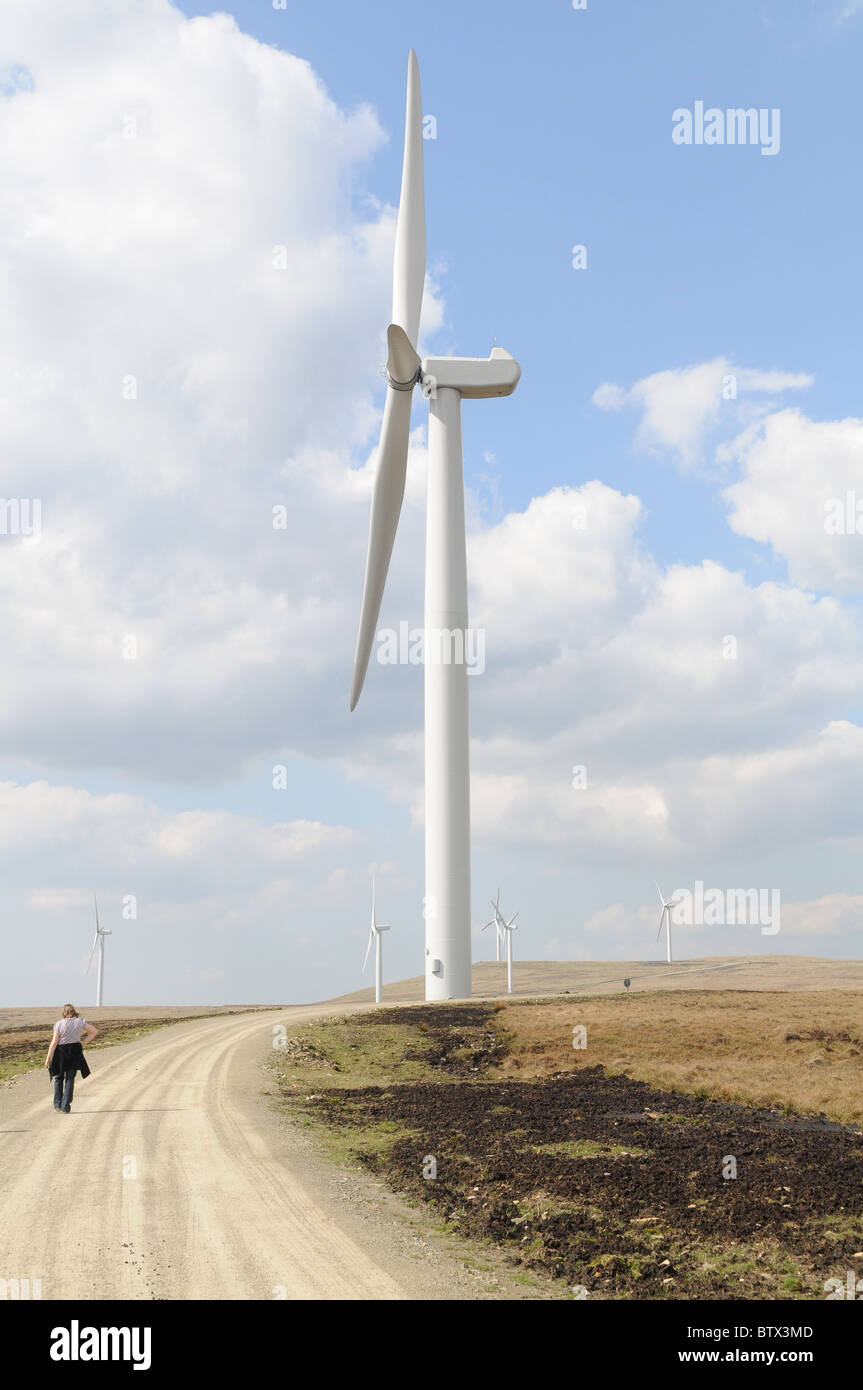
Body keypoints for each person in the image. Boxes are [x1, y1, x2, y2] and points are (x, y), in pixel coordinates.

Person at [44, 1005, 97, 1112]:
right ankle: (65, 1106)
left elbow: (54, 1042)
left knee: (58, 1078)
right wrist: (84, 1042)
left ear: (64, 1013)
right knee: (70, 1079)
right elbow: (94, 1032)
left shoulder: (59, 1024)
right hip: (74, 1052)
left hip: (61, 1053)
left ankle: (58, 1105)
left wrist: (48, 1058)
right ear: (74, 1012)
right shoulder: (80, 1022)